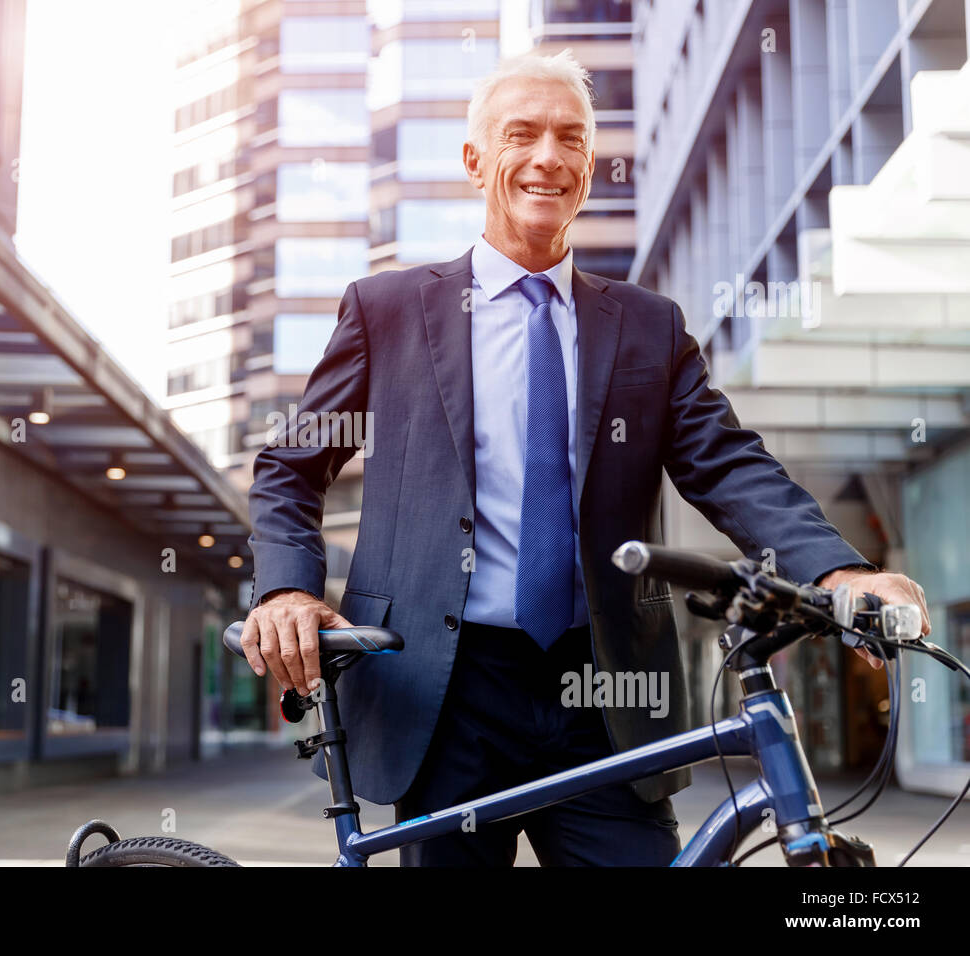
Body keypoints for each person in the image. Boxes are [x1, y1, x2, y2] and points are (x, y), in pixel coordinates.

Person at [240, 49, 930, 866]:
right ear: (474, 161)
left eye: (570, 138)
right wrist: (286, 585)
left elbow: (729, 464)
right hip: (442, 690)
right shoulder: (387, 311)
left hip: (605, 694)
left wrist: (837, 573)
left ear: (591, 165)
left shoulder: (648, 326)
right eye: (520, 134)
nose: (547, 157)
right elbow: (292, 463)